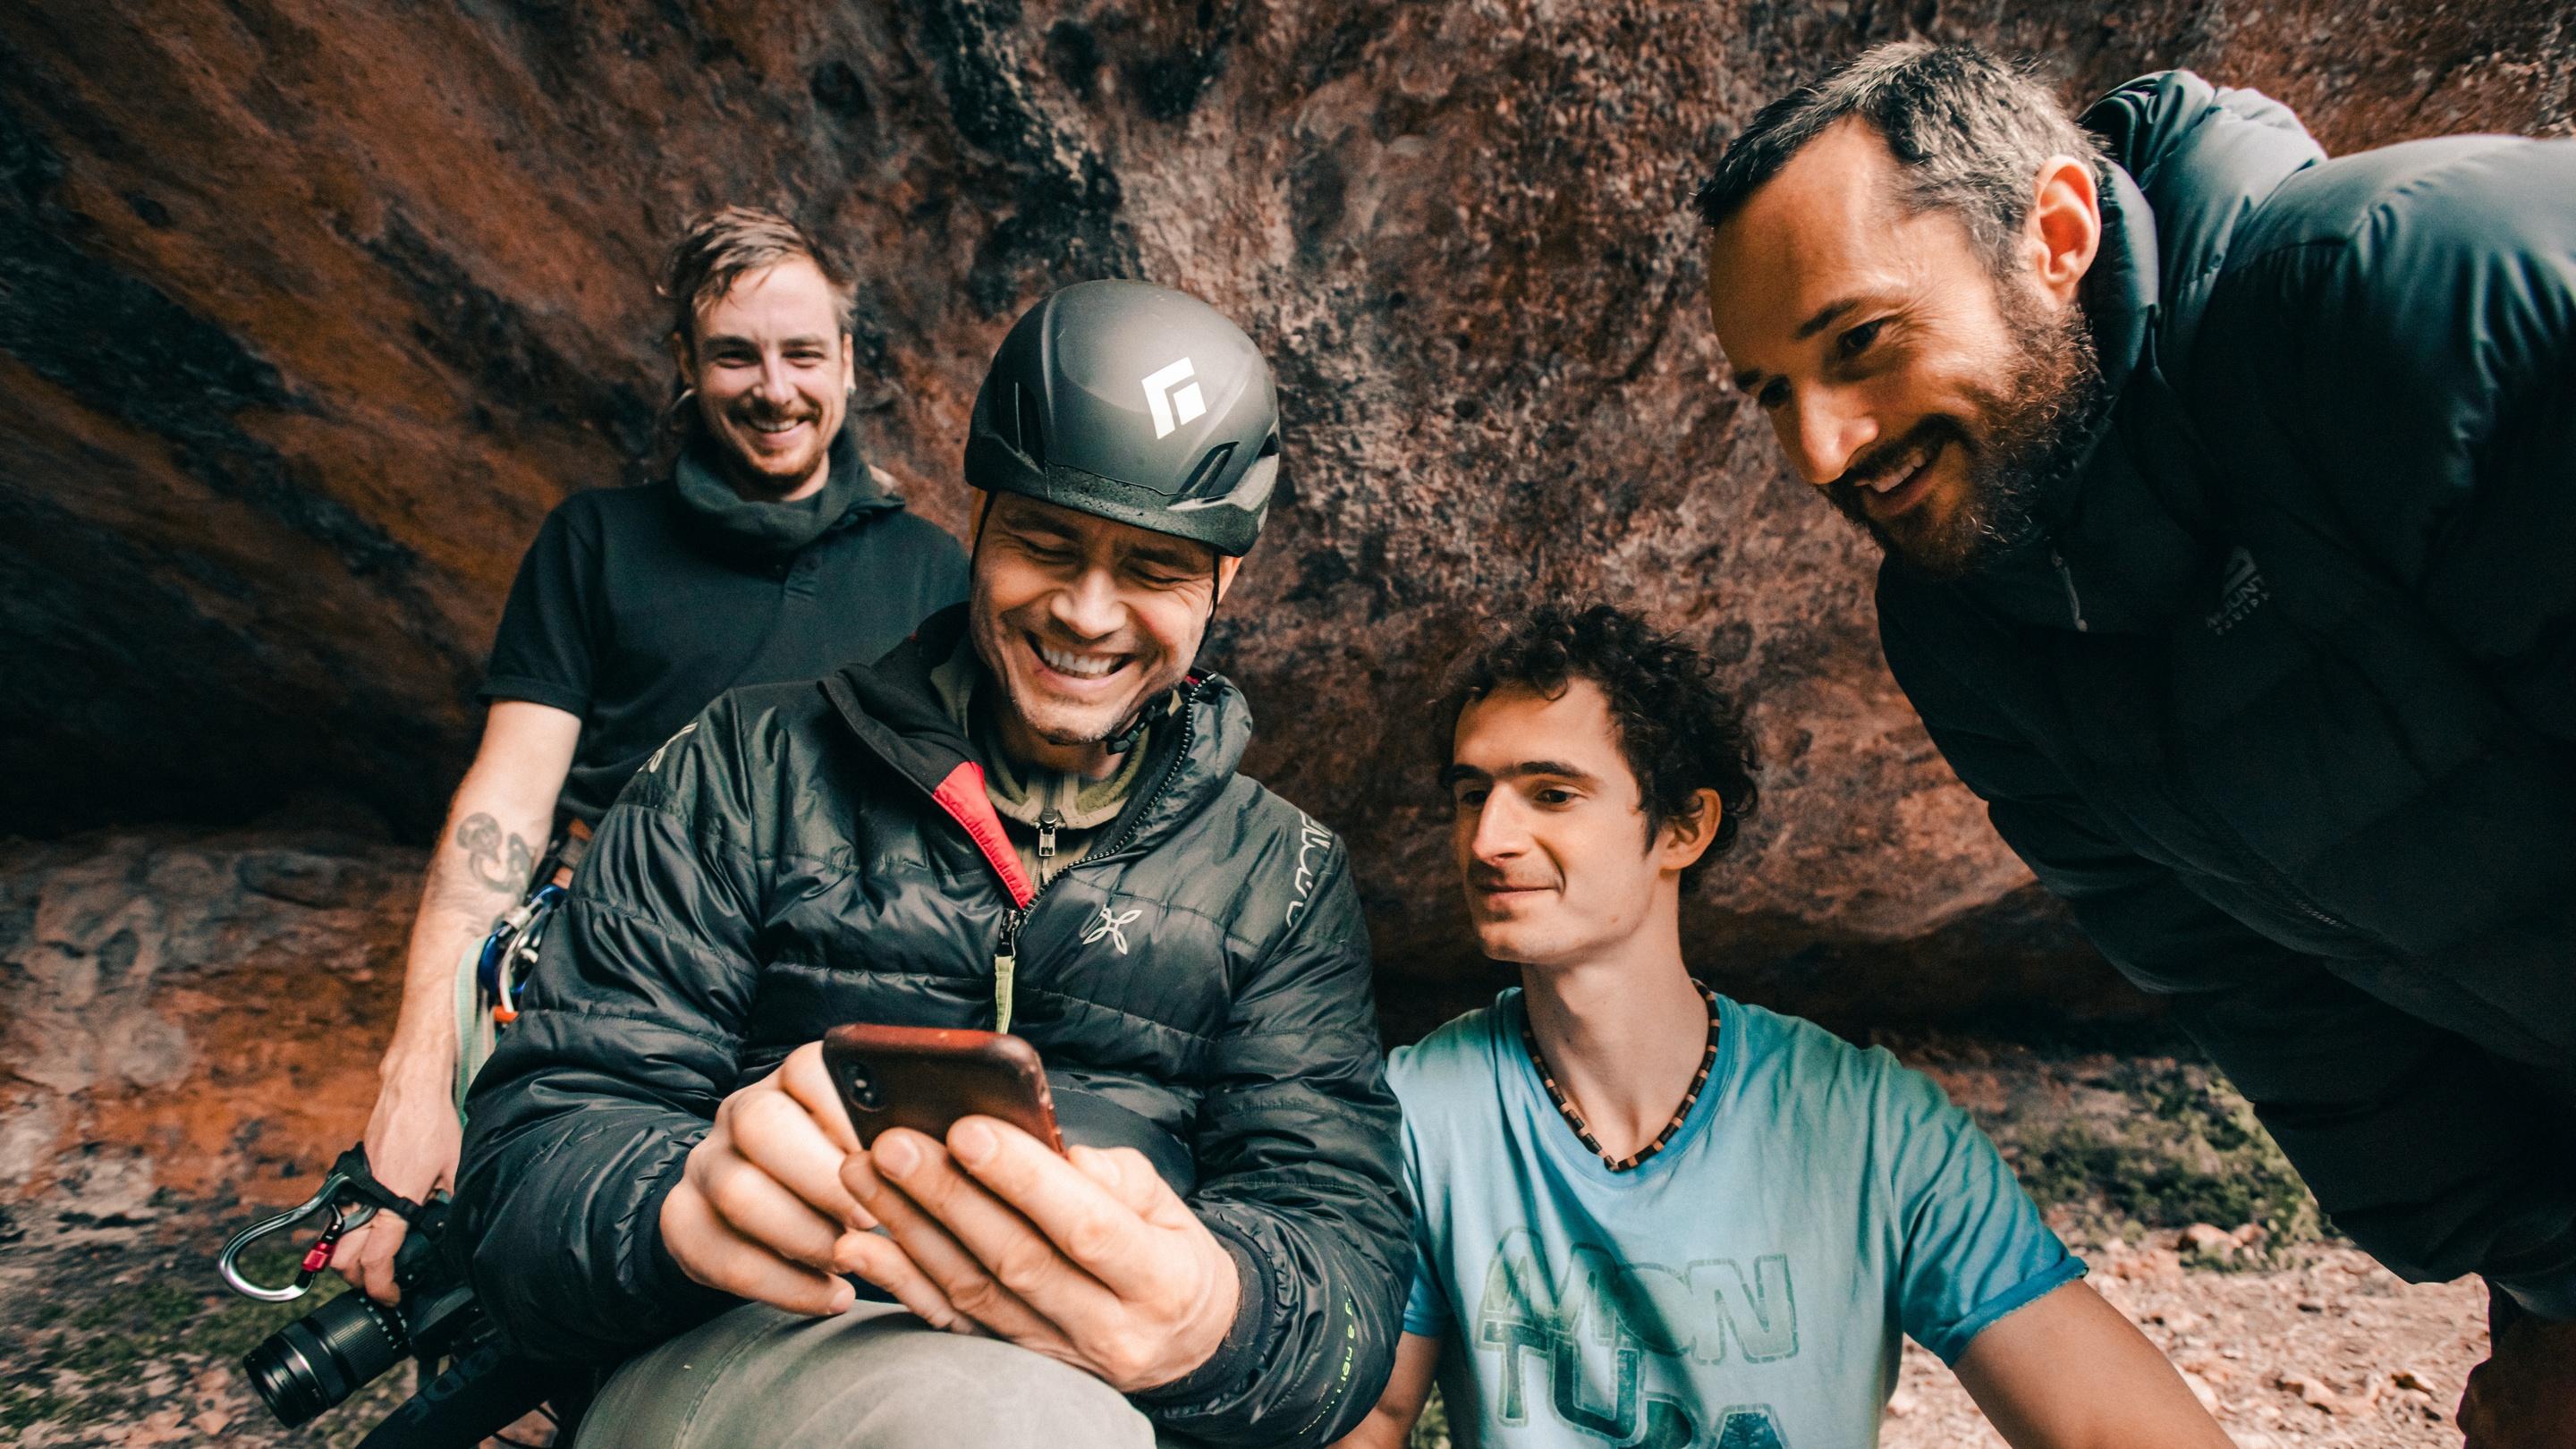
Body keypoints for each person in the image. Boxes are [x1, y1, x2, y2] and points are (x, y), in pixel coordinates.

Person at [1695, 40, 2576, 1445]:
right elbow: (2269, 999)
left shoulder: (2418, 307)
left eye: (1858, 343)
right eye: (1770, 395)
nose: (1818, 449)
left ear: (2055, 232)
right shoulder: (1968, 632)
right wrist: (2547, 1283)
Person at [446, 278, 1409, 1448]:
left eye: (1154, 569)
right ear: (981, 520)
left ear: (1227, 580)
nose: (1089, 615)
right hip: (754, 1346)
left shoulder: (1286, 877)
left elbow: (1345, 1265)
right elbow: (534, 1157)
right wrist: (681, 1200)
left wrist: (1219, 1312)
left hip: (1130, 1400)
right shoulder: (744, 767)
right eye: (1047, 544)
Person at [1335, 603, 2230, 1449]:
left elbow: (2109, 1423)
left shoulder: (1873, 1128)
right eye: (1470, 793)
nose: (1490, 837)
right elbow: (1367, 1418)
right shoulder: (1418, 1116)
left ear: (1684, 827)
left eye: (1552, 794)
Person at [331, 207, 968, 1305]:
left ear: (850, 363)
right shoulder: (595, 544)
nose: (775, 388)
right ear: (685, 363)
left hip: (829, 1022)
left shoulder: (929, 573)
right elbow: (508, 806)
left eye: (803, 353)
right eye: (735, 354)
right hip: (610, 993)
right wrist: (416, 1077)